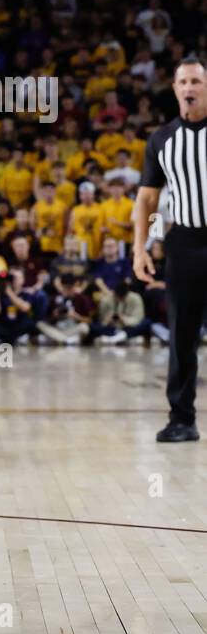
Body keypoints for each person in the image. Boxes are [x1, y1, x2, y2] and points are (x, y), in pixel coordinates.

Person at [133, 57, 207, 442]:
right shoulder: (161, 140)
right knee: (181, 335)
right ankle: (182, 419)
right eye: (183, 81)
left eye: (196, 80)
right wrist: (140, 249)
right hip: (186, 242)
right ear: (175, 89)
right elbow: (146, 200)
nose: (190, 87)